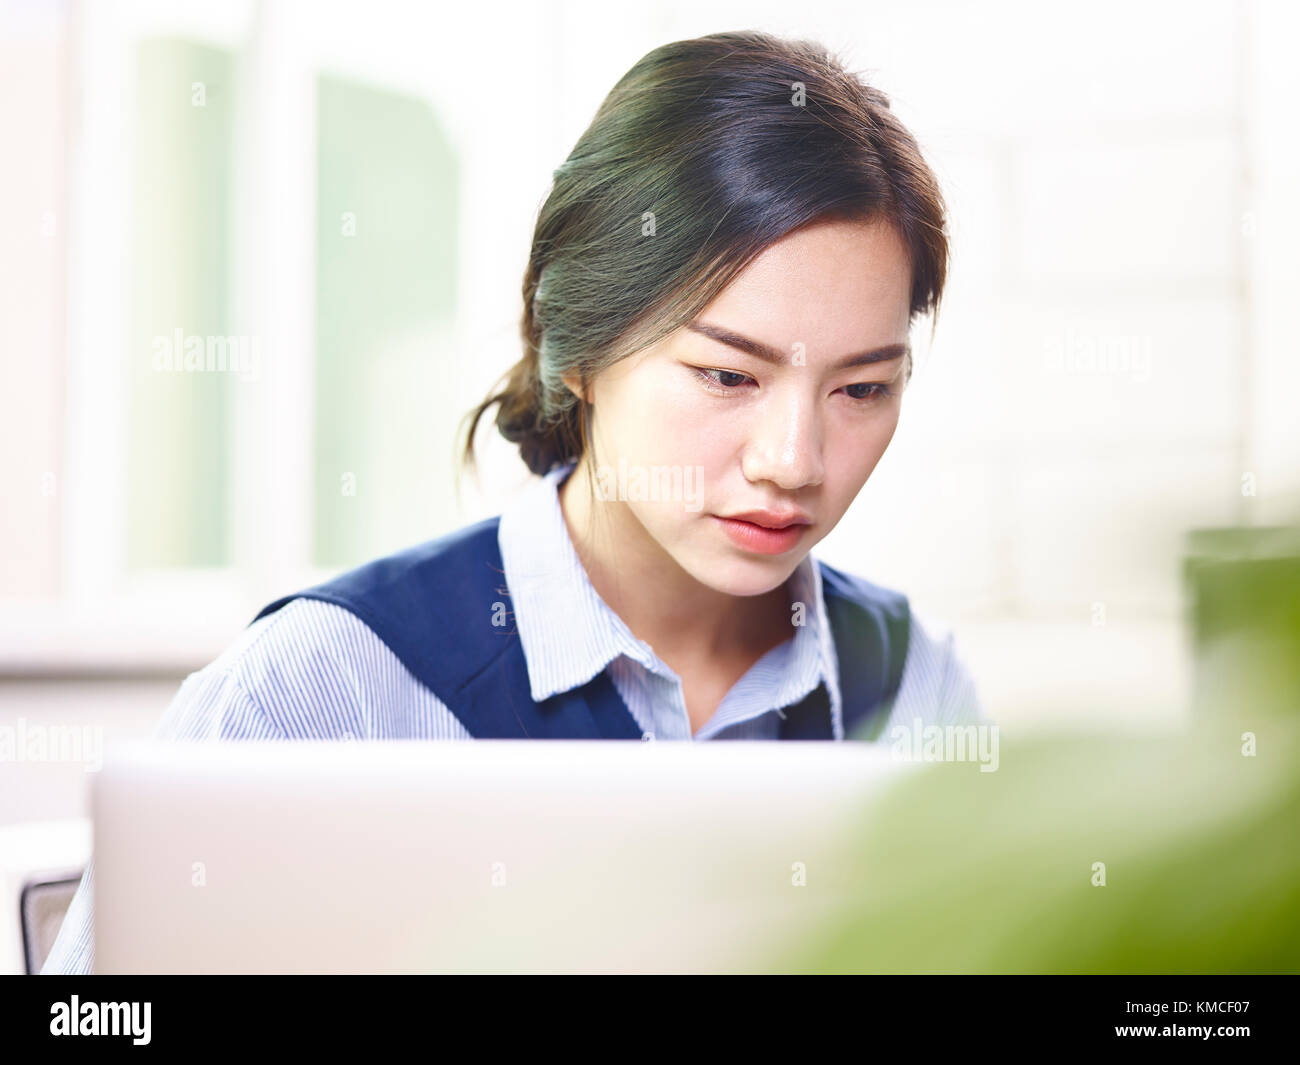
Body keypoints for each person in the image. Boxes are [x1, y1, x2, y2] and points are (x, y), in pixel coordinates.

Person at [41, 29, 987, 975]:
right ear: (577, 347)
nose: (793, 460)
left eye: (862, 388)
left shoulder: (915, 688)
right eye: (726, 374)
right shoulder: (321, 692)